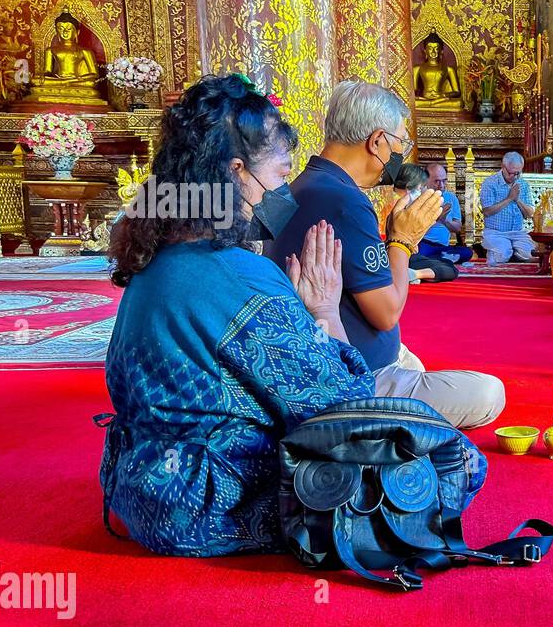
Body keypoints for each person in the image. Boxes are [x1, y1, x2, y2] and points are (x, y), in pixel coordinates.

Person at [101, 74, 377, 556]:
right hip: (208, 508)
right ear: (236, 172)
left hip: (139, 493)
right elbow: (344, 411)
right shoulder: (242, 276)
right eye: (279, 173)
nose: (283, 190)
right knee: (450, 460)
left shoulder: (150, 260)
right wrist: (326, 312)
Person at [270, 79, 505, 428]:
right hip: (359, 376)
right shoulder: (345, 200)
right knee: (489, 393)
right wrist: (402, 241)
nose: (398, 156)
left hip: (339, 356)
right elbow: (387, 313)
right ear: (377, 141)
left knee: (416, 364)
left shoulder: (299, 186)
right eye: (398, 143)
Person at [479, 152, 536, 264]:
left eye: (517, 173)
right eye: (511, 173)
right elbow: (487, 212)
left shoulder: (523, 184)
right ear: (503, 167)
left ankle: (515, 251)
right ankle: (504, 251)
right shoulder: (490, 183)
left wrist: (517, 199)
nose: (514, 177)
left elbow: (530, 214)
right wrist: (509, 198)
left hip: (518, 232)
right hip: (496, 232)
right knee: (501, 257)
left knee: (531, 255)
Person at [414, 161, 473, 269]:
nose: (441, 185)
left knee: (467, 252)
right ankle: (442, 259)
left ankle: (436, 259)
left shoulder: (451, 198)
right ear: (426, 180)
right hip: (424, 244)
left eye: (444, 181)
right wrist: (433, 219)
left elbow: (457, 228)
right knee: (417, 253)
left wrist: (444, 220)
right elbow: (413, 229)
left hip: (443, 247)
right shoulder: (419, 197)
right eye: (437, 181)